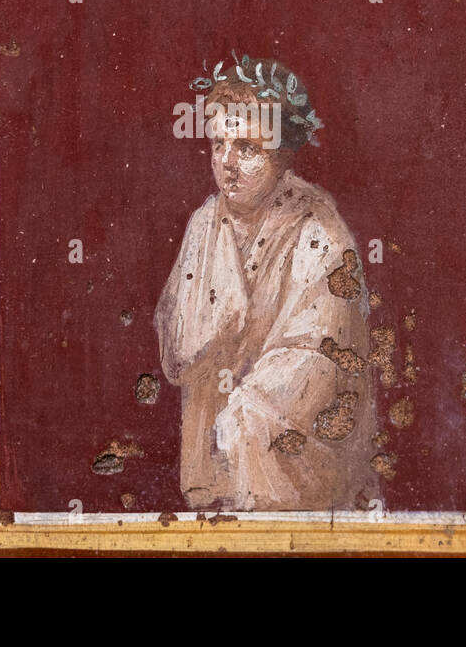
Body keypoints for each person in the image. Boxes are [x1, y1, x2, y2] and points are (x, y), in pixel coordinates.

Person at [155, 56, 376, 511]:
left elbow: (319, 355)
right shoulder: (203, 224)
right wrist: (220, 321)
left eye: (248, 148)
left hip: (291, 476)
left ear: (282, 153)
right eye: (219, 144)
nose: (227, 163)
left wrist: (242, 416)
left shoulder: (319, 230)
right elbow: (175, 354)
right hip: (209, 471)